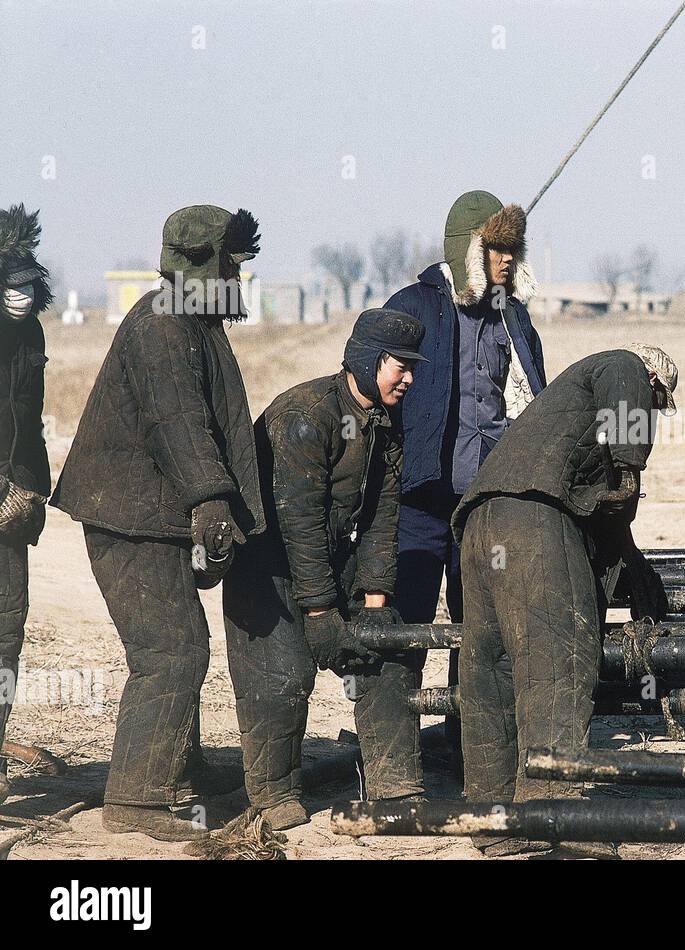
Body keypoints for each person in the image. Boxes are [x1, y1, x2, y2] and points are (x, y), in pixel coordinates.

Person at [51, 205, 265, 840]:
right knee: (172, 649)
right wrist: (212, 500)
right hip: (129, 520)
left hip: (146, 515)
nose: (237, 273)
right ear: (203, 265)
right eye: (230, 261)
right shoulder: (166, 327)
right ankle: (139, 798)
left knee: (178, 643)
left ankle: (179, 770)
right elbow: (178, 425)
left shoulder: (190, 322)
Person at [450, 345, 676, 857]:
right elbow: (627, 420)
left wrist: (629, 560)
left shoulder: (560, 410)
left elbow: (604, 518)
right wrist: (631, 466)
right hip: (534, 521)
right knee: (558, 661)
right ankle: (555, 811)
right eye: (656, 402)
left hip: (481, 522)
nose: (652, 411)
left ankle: (493, 821)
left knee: (493, 668)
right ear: (655, 382)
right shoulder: (625, 365)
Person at [221, 309, 426, 829]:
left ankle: (393, 783)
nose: (409, 378)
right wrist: (319, 613)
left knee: (390, 648)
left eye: (412, 366)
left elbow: (383, 512)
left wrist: (375, 601)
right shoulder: (306, 416)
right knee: (283, 677)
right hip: (266, 569)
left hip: (327, 559)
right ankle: (272, 794)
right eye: (398, 365)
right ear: (365, 359)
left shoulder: (384, 419)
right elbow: (300, 522)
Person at [383, 190, 546, 763]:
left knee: (481, 632)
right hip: (418, 503)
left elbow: (531, 404)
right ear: (467, 250)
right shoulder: (413, 307)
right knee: (404, 632)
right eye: (494, 248)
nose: (505, 260)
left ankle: (468, 752)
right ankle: (390, 760)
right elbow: (370, 396)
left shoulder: (516, 319)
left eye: (512, 248)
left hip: (485, 507)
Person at [0, 204, 52, 804]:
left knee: (6, 631)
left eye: (23, 286)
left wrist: (29, 487)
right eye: (7, 286)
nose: (17, 297)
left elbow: (29, 421)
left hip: (12, 503)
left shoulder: (31, 330)